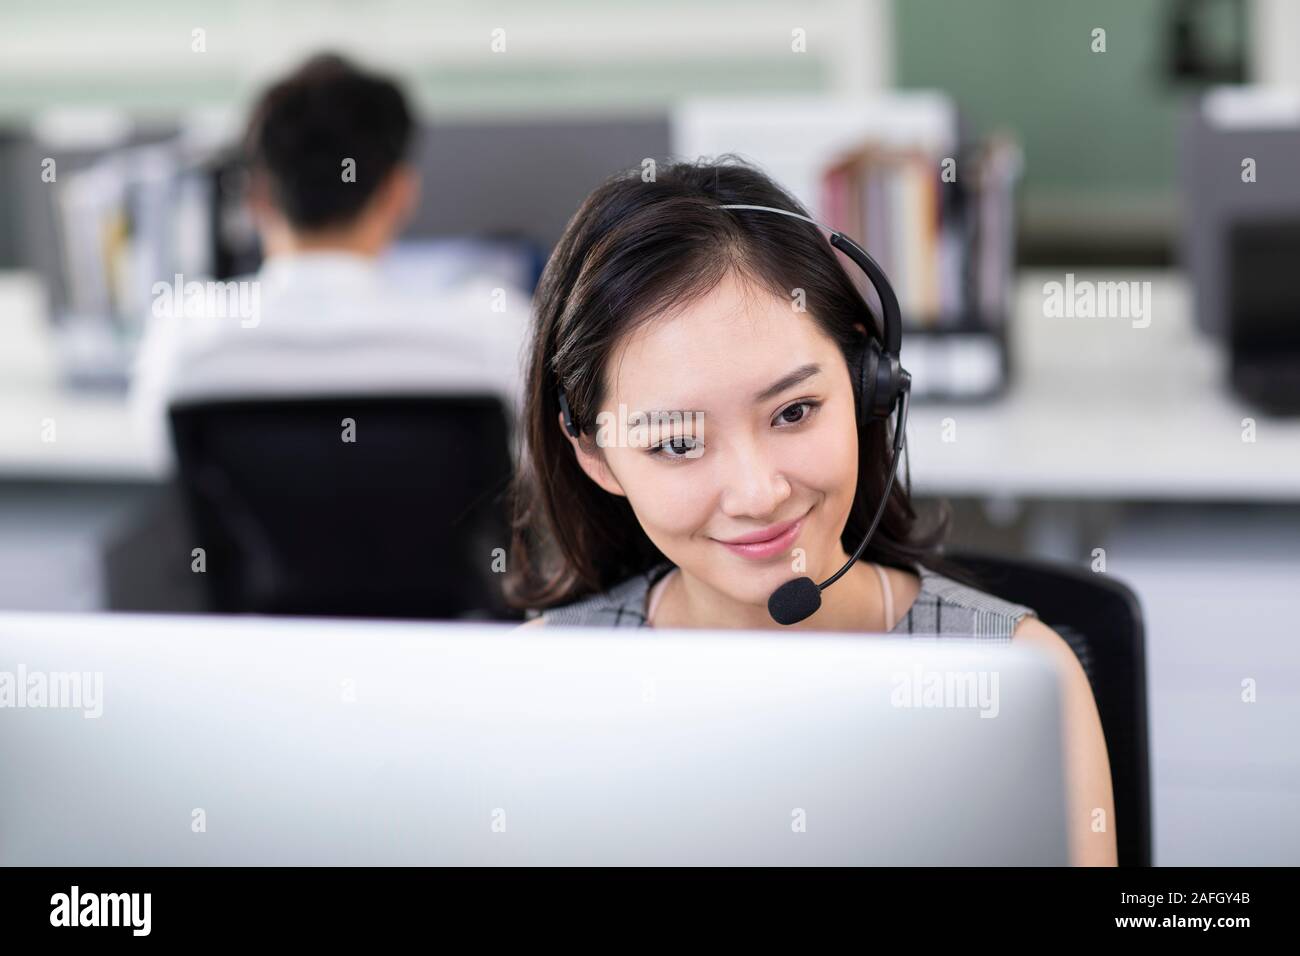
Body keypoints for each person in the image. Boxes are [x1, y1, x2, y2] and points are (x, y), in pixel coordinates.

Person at [505, 157, 1117, 866]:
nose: (758, 493)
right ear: (596, 457)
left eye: (794, 411)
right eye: (676, 443)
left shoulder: (1010, 677)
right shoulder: (543, 685)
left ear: (868, 387)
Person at [130, 52, 527, 462]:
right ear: (399, 194)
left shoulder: (187, 339)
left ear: (255, 197)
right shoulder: (492, 335)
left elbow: (166, 466)